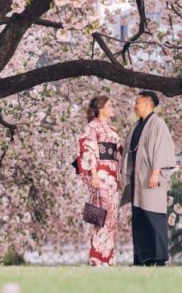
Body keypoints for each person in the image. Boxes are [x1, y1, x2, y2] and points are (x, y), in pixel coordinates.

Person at [120, 90, 176, 266]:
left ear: (147, 104)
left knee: (153, 215)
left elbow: (161, 149)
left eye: (137, 103)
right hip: (137, 178)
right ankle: (141, 257)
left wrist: (155, 172)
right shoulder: (136, 126)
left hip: (151, 178)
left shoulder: (158, 124)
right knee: (139, 218)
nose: (134, 106)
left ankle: (158, 258)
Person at [76, 95, 123, 266]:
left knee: (112, 217)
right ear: (101, 108)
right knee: (101, 216)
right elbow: (87, 150)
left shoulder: (112, 129)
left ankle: (108, 258)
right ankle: (97, 257)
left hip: (113, 173)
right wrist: (93, 175)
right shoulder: (91, 127)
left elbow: (119, 151)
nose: (112, 108)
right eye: (110, 105)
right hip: (101, 174)